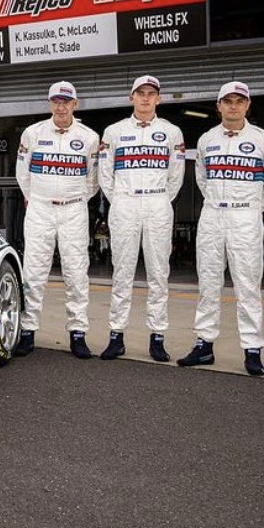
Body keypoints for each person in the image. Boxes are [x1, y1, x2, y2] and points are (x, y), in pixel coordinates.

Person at [176, 81, 264, 375]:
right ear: (218, 106)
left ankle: (252, 349)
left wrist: (252, 207)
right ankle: (204, 345)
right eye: (228, 101)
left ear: (248, 105)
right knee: (208, 282)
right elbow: (201, 178)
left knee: (248, 284)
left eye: (239, 101)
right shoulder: (207, 139)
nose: (233, 106)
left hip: (246, 217)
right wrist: (218, 203)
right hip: (213, 215)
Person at [97, 75, 186, 362]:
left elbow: (176, 177)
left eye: (151, 93)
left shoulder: (172, 132)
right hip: (125, 202)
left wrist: (158, 198)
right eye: (141, 93)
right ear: (131, 97)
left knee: (159, 273)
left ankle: (157, 337)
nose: (146, 98)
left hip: (158, 201)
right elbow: (105, 174)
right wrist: (122, 198)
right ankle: (116, 335)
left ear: (158, 98)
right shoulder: (114, 131)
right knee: (121, 271)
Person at [13, 81, 101, 359]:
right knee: (34, 272)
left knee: (76, 272)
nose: (61, 106)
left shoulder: (89, 137)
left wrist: (73, 199)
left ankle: (78, 333)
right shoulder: (33, 133)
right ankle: (27, 331)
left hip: (74, 210)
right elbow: (22, 174)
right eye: (56, 101)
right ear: (50, 103)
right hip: (40, 209)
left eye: (66, 101)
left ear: (75, 104)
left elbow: (93, 181)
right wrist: (38, 197)